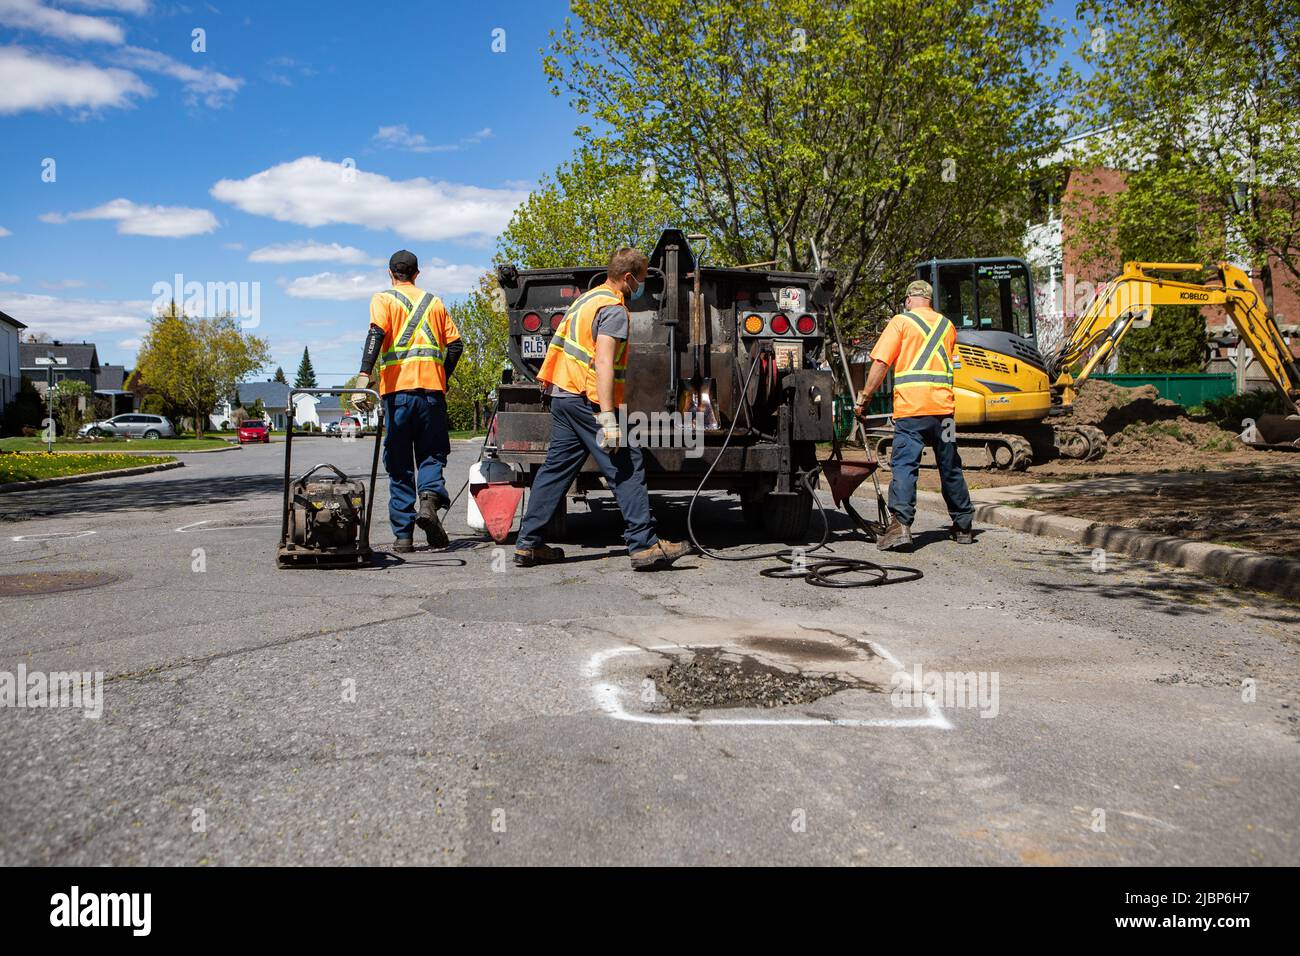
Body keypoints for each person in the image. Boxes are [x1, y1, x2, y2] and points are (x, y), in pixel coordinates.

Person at [514, 246, 694, 571]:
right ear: (628, 278)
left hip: (563, 396)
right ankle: (644, 545)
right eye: (640, 280)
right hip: (587, 399)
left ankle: (528, 544)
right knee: (626, 464)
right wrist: (609, 418)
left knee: (555, 472)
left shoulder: (587, 299)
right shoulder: (612, 309)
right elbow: (604, 362)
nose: (641, 287)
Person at [353, 250, 463, 553]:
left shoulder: (383, 299)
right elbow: (455, 346)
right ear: (417, 274)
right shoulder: (435, 302)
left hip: (397, 395)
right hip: (431, 394)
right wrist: (443, 377)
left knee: (400, 463)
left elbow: (376, 333)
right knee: (431, 455)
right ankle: (428, 501)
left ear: (391, 273)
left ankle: (403, 537)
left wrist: (364, 375)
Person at [855, 279, 975, 550]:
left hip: (912, 411)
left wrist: (865, 398)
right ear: (929, 300)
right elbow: (953, 364)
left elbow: (881, 363)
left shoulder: (901, 322)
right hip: (944, 412)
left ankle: (901, 526)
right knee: (950, 466)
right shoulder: (947, 326)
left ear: (909, 299)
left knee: (905, 466)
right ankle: (964, 526)